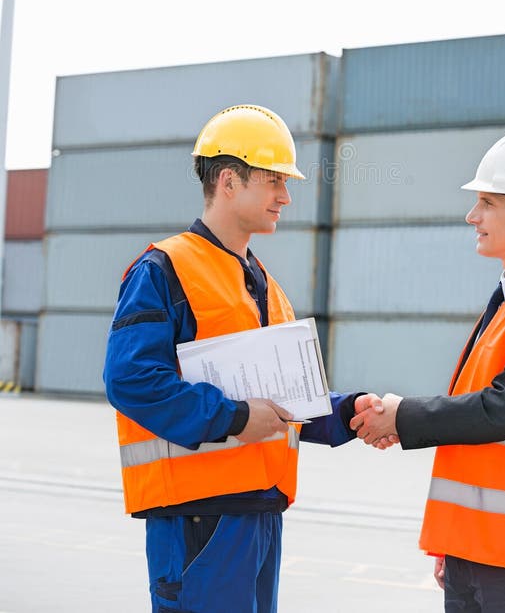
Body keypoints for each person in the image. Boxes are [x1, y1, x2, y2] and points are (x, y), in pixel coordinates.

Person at [104, 103, 380, 613]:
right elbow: (131, 379)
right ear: (229, 181)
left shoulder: (264, 284)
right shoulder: (163, 270)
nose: (285, 196)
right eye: (274, 180)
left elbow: (283, 400)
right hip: (199, 520)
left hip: (258, 511)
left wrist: (348, 412)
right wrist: (233, 417)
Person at [350, 130, 505, 612]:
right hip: (476, 552)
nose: (472, 216)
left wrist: (400, 417)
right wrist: (452, 542)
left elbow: (503, 411)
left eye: (487, 202)